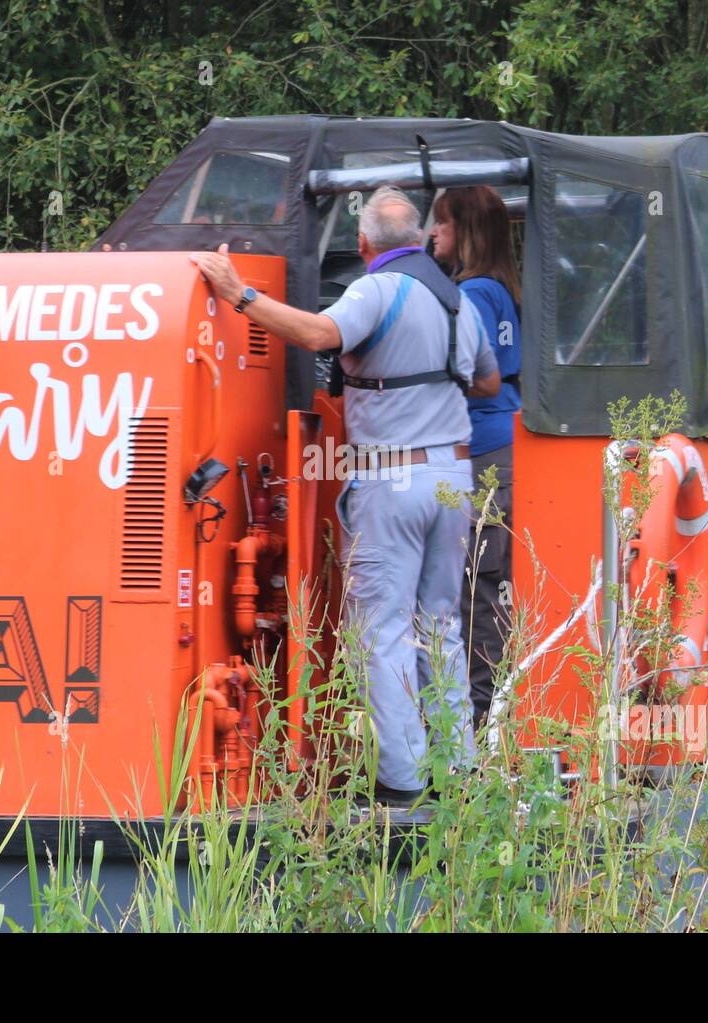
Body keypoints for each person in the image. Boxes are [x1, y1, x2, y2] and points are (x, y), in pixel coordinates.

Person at [190, 187, 501, 806]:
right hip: (453, 478)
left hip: (394, 478)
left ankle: (403, 783)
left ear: (363, 247)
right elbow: (488, 381)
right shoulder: (458, 303)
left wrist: (240, 295)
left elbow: (315, 333)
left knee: (380, 630)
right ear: (416, 239)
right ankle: (458, 770)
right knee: (439, 622)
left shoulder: (377, 289)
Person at [429, 186, 522, 730]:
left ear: (464, 231)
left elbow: (479, 377)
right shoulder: (501, 290)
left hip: (484, 454)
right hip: (503, 450)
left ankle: (479, 720)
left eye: (441, 224)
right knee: (487, 588)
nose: (433, 234)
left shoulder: (472, 294)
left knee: (475, 591)